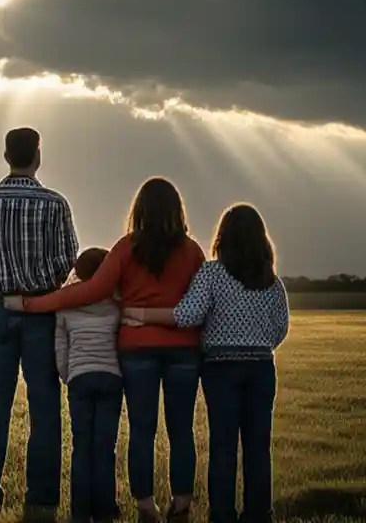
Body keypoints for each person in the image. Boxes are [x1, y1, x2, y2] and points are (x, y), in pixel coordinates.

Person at [8, 177, 205, 522]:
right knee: (181, 430)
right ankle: (182, 503)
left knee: (143, 429)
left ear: (139, 210)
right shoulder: (192, 252)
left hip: (137, 352)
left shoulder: (127, 248)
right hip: (184, 350)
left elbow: (86, 292)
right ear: (177, 209)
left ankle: (146, 505)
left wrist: (30, 304)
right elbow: (202, 304)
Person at [123, 204, 290, 523]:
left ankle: (222, 515)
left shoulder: (212, 273)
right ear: (261, 239)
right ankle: (258, 514)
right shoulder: (272, 281)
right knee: (258, 448)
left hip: (220, 368)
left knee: (223, 447)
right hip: (260, 367)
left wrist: (141, 315)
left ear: (223, 237)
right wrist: (258, 345)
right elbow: (280, 327)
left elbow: (188, 315)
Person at [0, 127, 79, 519]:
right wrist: (41, 289)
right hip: (41, 312)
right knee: (44, 404)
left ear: (6, 154)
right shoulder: (55, 204)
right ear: (37, 155)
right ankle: (42, 496)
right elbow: (68, 258)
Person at [55, 247, 122, 523]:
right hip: (110, 378)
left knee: (82, 445)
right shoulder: (116, 304)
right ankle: (105, 506)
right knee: (105, 445)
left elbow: (61, 348)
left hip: (80, 379)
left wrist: (67, 374)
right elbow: (122, 342)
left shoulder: (66, 306)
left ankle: (80, 509)